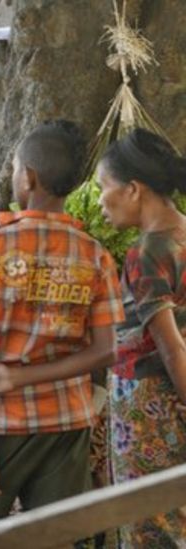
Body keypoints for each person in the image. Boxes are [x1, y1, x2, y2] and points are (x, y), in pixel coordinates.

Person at [0, 121, 124, 526]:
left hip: (2, 420)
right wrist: (36, 375)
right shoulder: (97, 257)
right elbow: (106, 351)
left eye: (17, 168)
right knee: (52, 537)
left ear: (30, 178)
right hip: (69, 422)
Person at [92, 129, 186, 545]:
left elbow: (170, 347)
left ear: (133, 189)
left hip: (150, 411)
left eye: (103, 188)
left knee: (150, 526)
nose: (99, 201)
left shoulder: (146, 254)